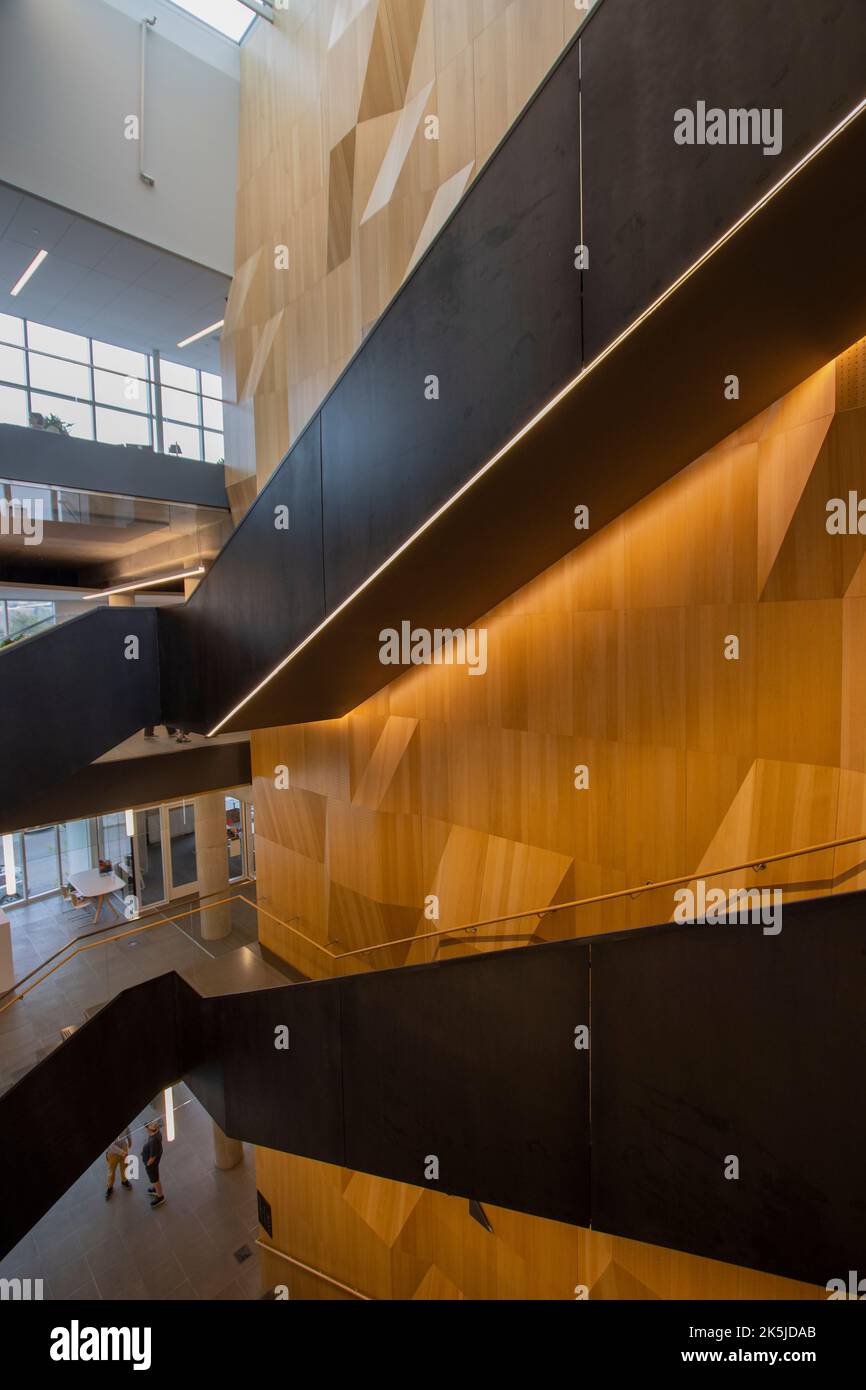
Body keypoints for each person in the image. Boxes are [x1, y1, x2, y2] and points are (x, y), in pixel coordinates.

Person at [142, 1120, 165, 1208]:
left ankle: (160, 1196)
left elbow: (153, 1156)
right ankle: (155, 1189)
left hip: (152, 1164)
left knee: (154, 1178)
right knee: (154, 1177)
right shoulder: (156, 1134)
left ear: (152, 1130)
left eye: (148, 1127)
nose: (146, 1129)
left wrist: (148, 1164)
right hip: (153, 1161)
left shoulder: (153, 1140)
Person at [105, 1129, 132, 1200]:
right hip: (113, 1153)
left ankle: (124, 1180)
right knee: (111, 1171)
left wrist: (129, 1140)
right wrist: (122, 1152)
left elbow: (128, 1130)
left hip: (124, 1148)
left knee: (124, 1166)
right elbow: (110, 1146)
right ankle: (110, 1187)